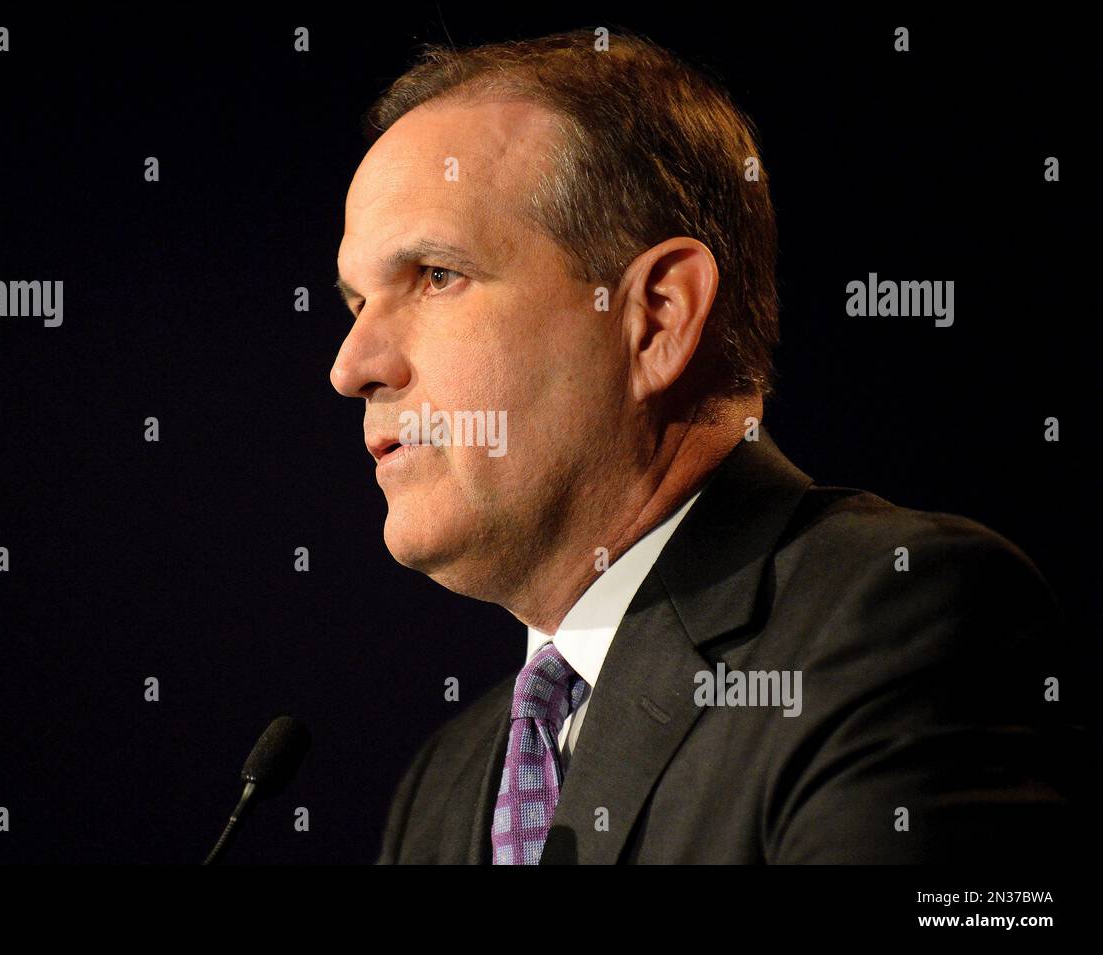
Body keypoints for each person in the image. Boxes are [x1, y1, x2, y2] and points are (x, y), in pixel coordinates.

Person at [329, 30, 1079, 864]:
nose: (351, 365)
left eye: (436, 275)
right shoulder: (441, 789)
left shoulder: (894, 625)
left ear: (657, 316)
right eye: (356, 301)